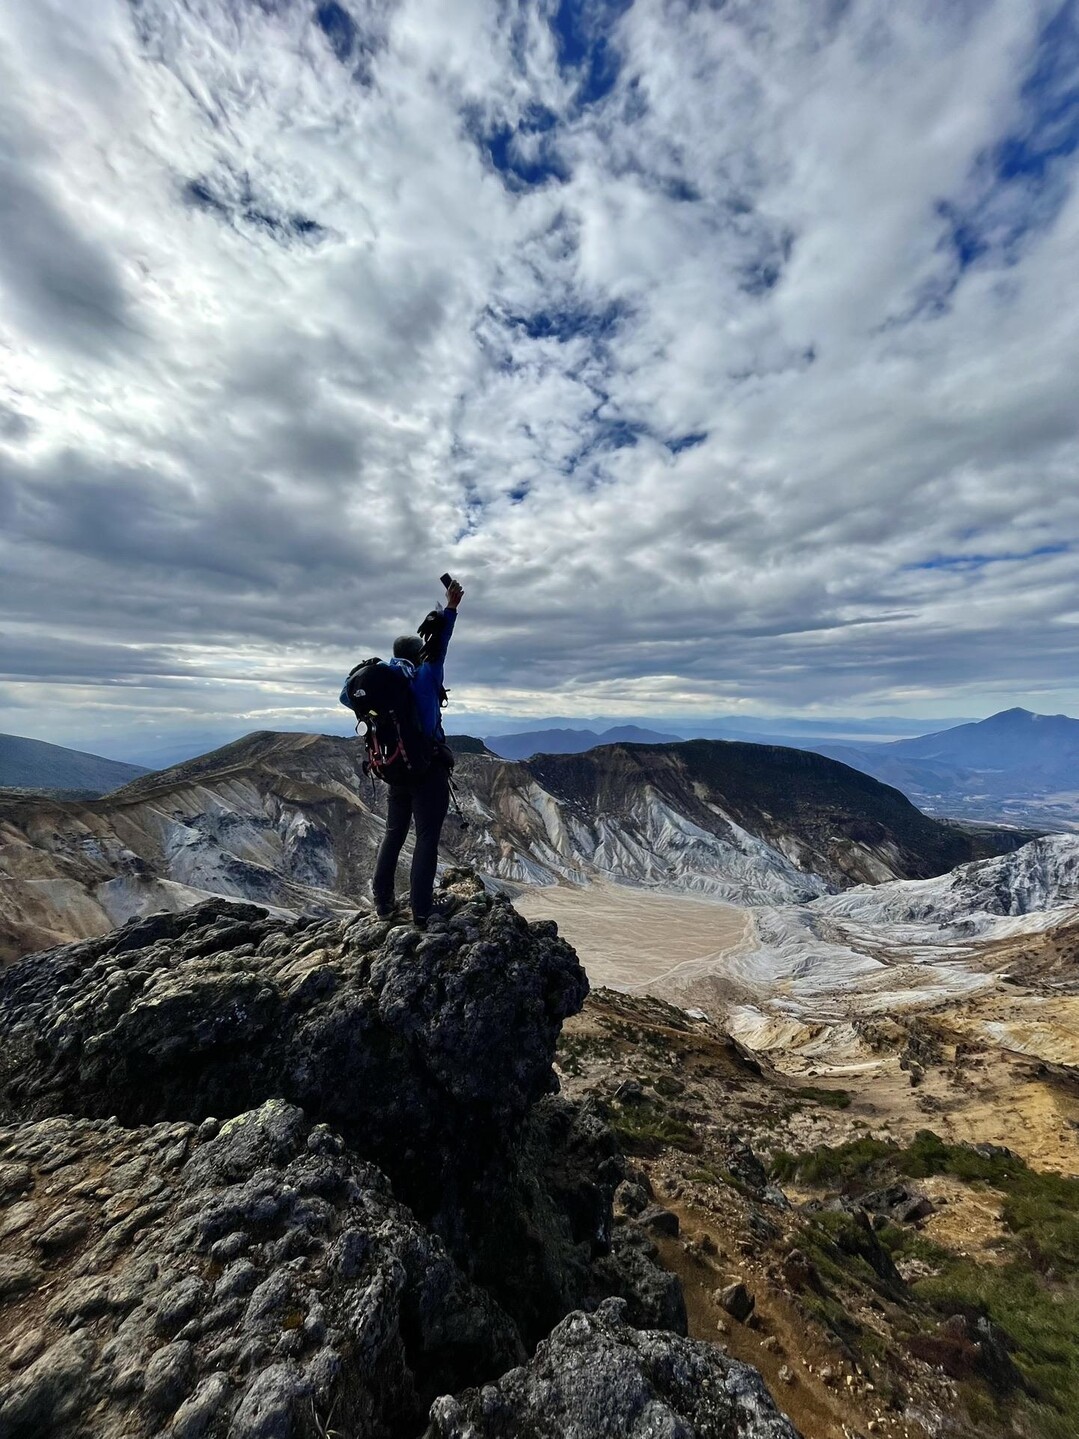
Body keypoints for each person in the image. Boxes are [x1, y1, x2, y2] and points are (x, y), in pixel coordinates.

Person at [371, 577, 464, 928]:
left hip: (394, 768)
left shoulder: (383, 684)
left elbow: (346, 699)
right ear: (417, 655)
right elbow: (441, 645)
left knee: (393, 833)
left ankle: (383, 905)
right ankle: (422, 912)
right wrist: (451, 608)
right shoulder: (425, 676)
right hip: (427, 769)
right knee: (426, 839)